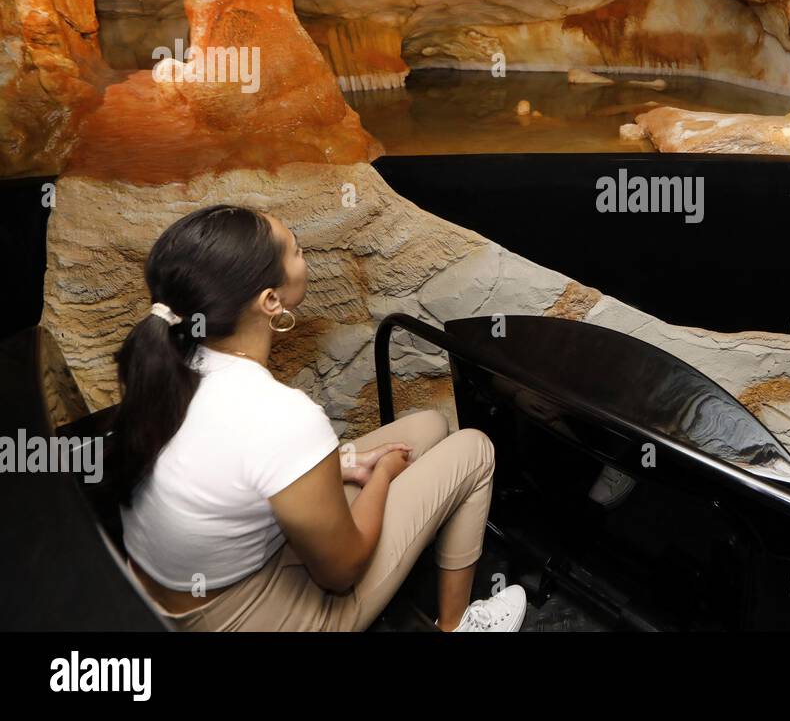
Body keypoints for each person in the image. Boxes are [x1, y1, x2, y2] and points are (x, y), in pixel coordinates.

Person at [106, 202, 526, 631]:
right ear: (271, 300)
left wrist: (344, 463)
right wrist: (380, 475)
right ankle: (457, 627)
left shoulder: (171, 367)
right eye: (296, 250)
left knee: (429, 426)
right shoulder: (279, 414)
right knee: (475, 449)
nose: (305, 255)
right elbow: (340, 574)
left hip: (180, 591)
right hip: (240, 616)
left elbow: (231, 467)